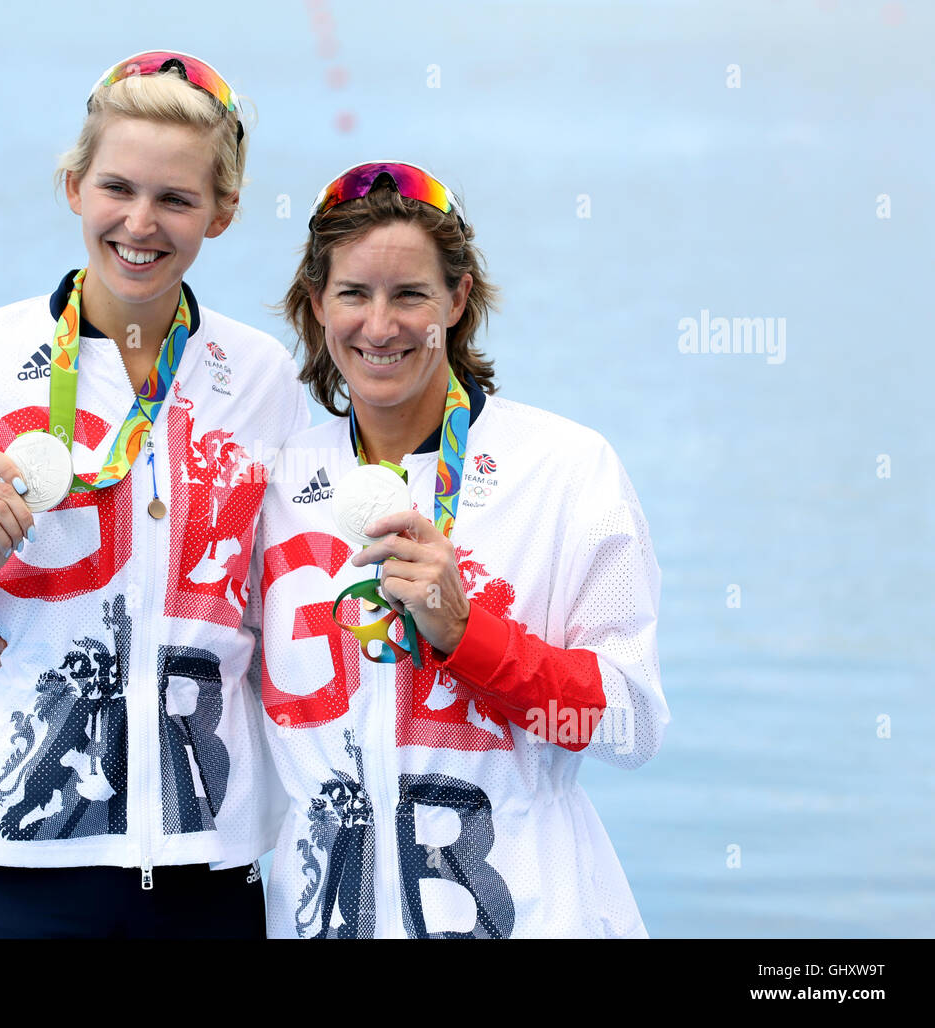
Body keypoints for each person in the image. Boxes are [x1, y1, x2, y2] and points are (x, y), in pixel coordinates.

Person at [0, 50, 308, 939]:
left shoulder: (262, 377)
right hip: (7, 860)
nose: (141, 222)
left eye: (176, 199)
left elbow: (279, 609)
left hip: (206, 860)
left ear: (225, 211)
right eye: (116, 188)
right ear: (72, 186)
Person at [250, 161, 669, 938]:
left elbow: (631, 724)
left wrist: (466, 633)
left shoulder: (565, 469)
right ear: (317, 304)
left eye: (410, 294)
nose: (380, 327)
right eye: (353, 295)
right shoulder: (279, 480)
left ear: (458, 298)